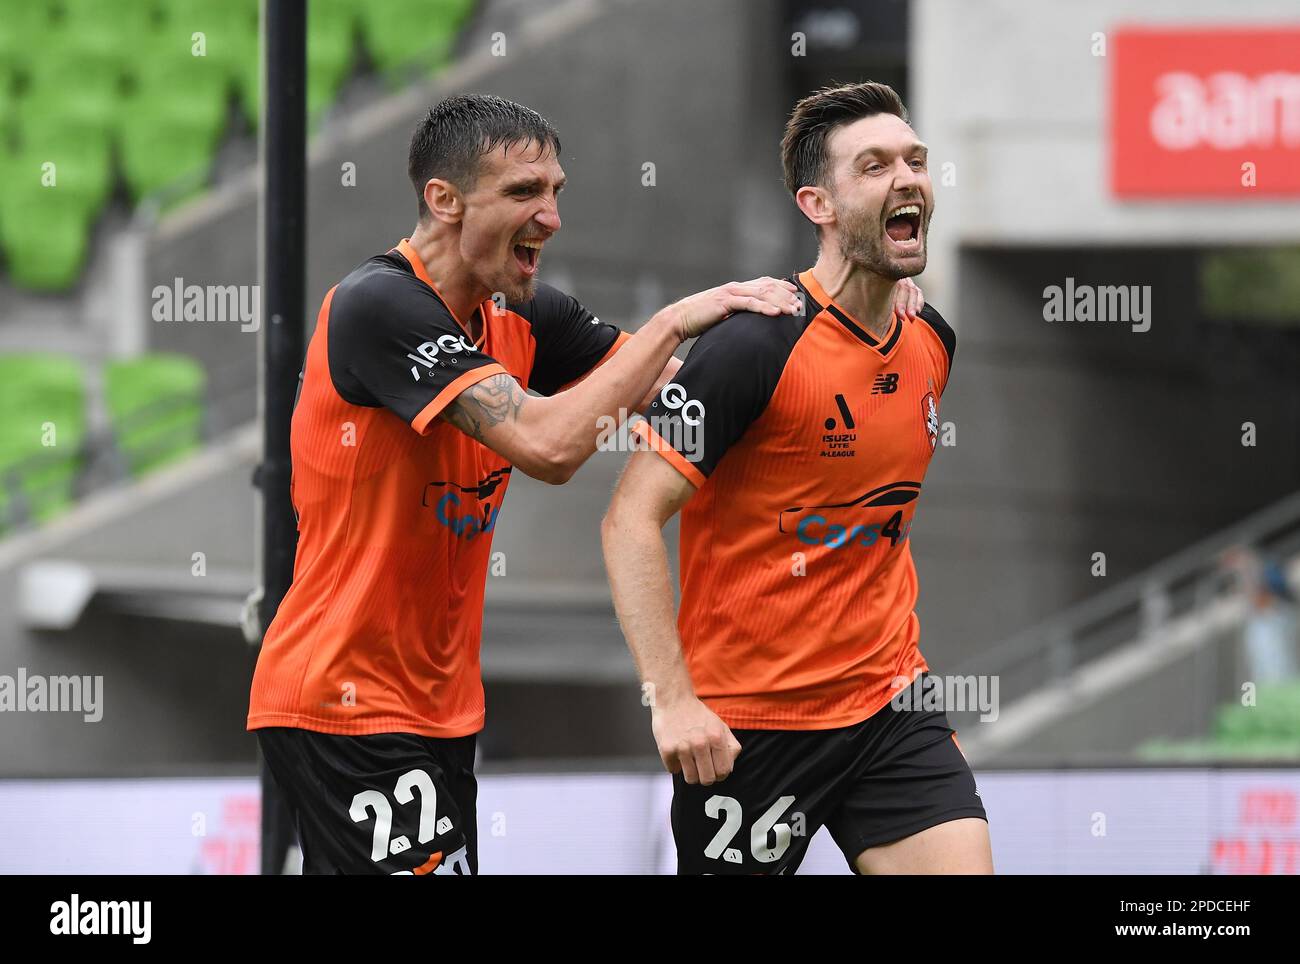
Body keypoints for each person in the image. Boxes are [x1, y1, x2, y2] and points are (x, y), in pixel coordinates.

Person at [246, 93, 811, 874]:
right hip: (345, 701)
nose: (550, 216)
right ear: (443, 201)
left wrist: (857, 312)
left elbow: (674, 389)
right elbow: (548, 446)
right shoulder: (377, 305)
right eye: (523, 193)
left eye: (555, 193)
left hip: (440, 710)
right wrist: (673, 317)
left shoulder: (525, 314)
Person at [601, 82, 993, 874]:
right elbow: (629, 521)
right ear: (818, 204)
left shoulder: (931, 340)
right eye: (875, 166)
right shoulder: (753, 347)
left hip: (890, 705)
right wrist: (671, 701)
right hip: (748, 727)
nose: (908, 178)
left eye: (915, 160)